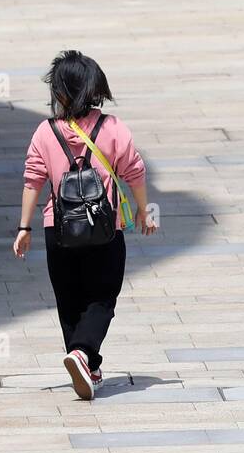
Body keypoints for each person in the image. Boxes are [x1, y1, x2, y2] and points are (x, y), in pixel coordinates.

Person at [14, 50, 155, 401]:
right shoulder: (113, 128)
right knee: (102, 297)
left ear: (60, 92)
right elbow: (134, 171)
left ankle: (87, 365)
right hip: (104, 228)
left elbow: (33, 179)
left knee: (69, 299)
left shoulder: (45, 132)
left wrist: (23, 228)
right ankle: (82, 353)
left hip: (57, 228)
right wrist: (142, 210)